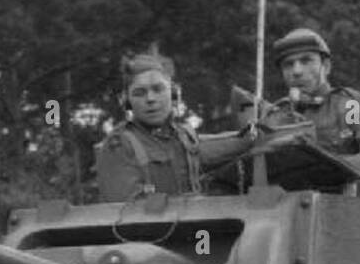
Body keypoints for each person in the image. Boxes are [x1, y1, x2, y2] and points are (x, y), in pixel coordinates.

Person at [259, 28, 360, 187]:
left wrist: (336, 171)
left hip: (340, 204)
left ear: (325, 67)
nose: (297, 71)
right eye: (288, 64)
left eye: (306, 61)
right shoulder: (273, 118)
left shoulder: (348, 108)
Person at [95, 48, 257, 202]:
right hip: (149, 230)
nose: (150, 99)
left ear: (173, 94)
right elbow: (126, 211)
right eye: (140, 93)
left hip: (194, 228)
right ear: (127, 101)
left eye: (158, 89)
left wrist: (252, 136)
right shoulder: (119, 145)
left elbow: (215, 147)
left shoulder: (183, 135)